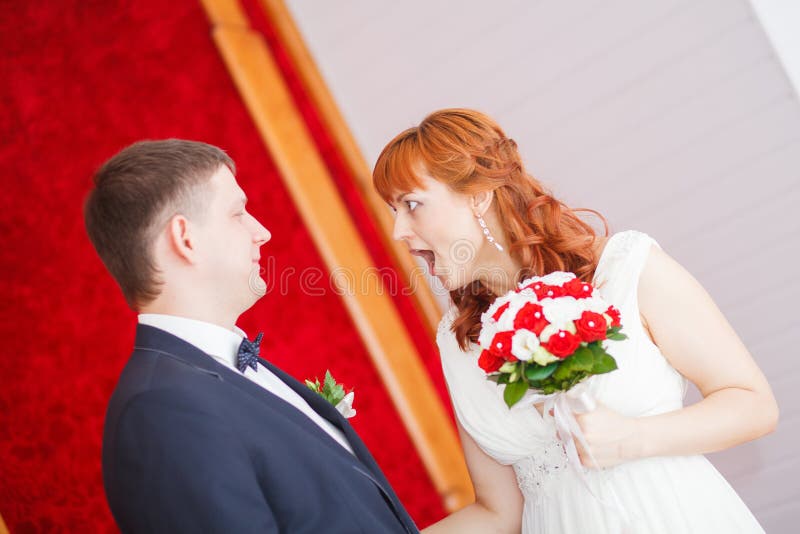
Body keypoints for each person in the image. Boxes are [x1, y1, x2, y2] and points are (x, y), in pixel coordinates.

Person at [372, 109, 778, 533]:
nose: (399, 231)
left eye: (412, 205)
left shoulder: (622, 269)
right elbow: (499, 512)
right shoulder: (459, 341)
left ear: (477, 195)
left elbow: (753, 405)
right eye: (393, 211)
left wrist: (632, 439)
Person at [84, 139, 418, 534]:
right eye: (238, 213)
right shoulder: (159, 412)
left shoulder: (221, 371)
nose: (262, 232)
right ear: (185, 238)